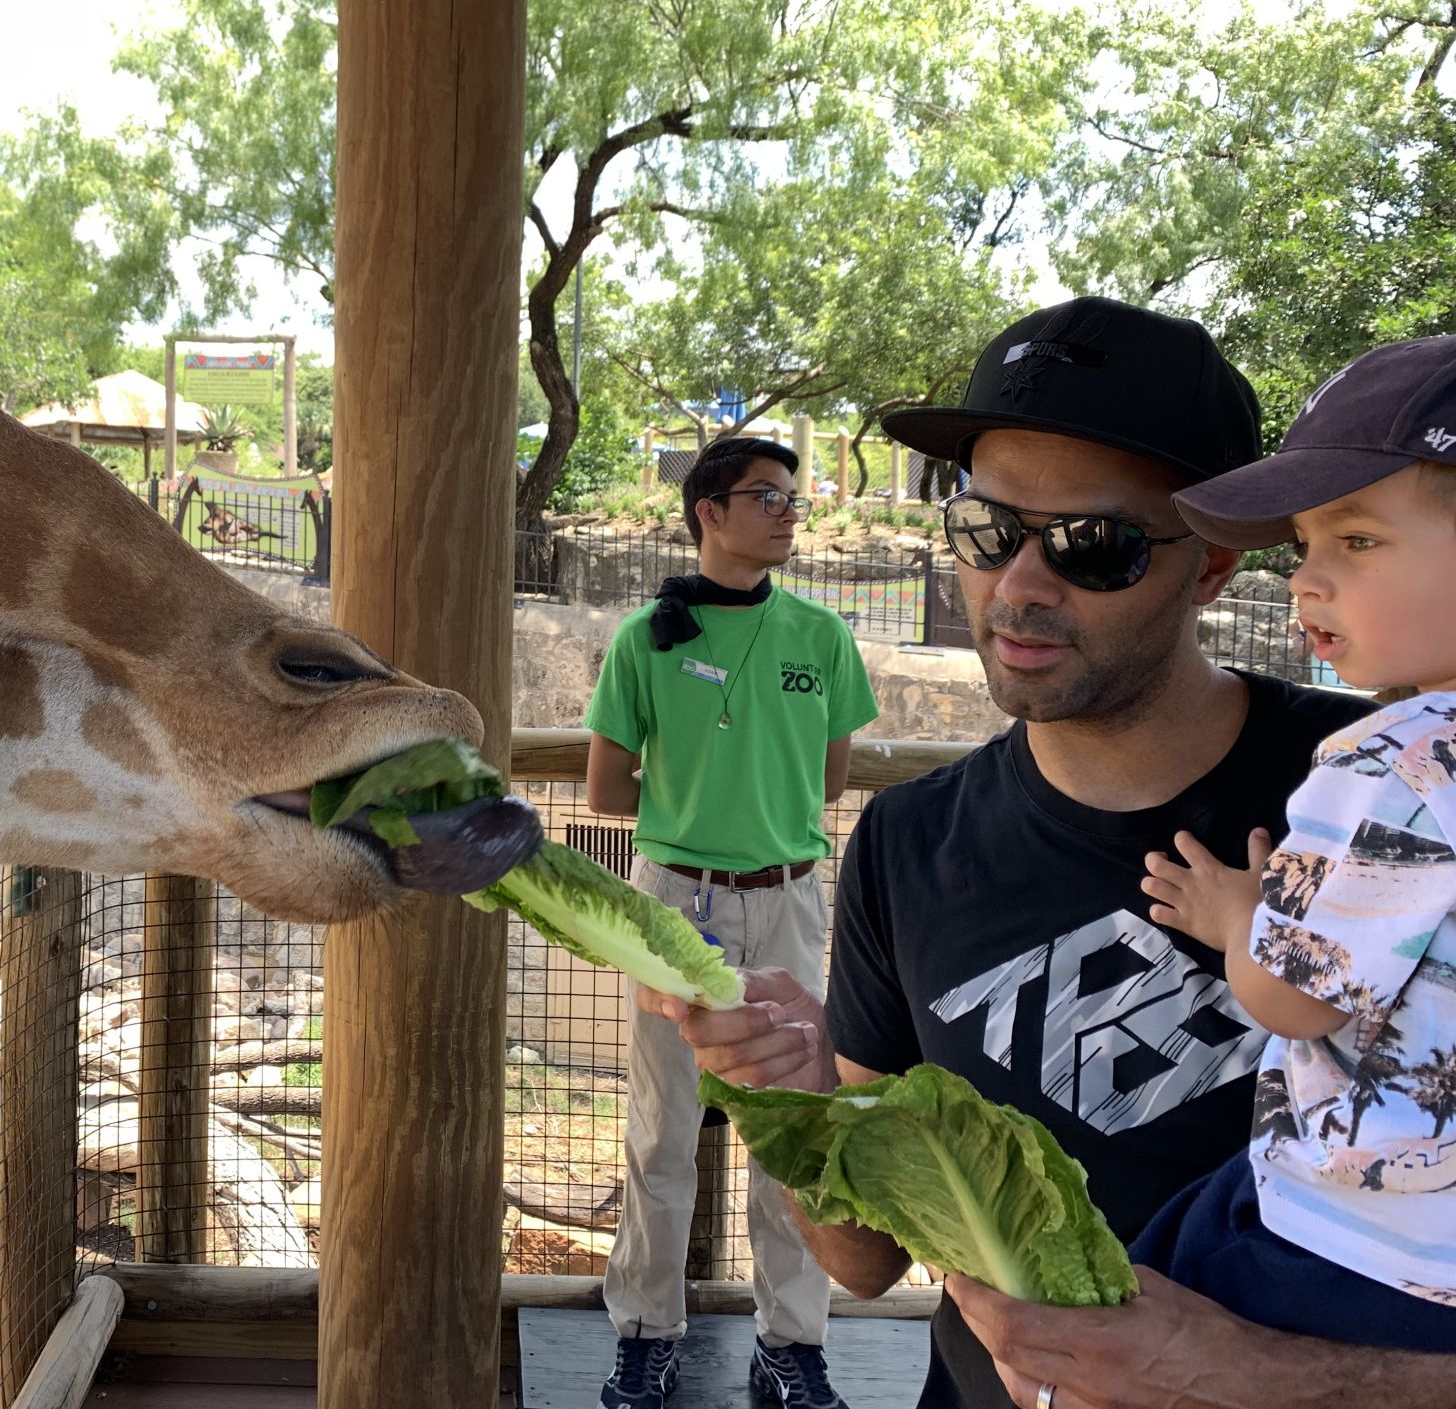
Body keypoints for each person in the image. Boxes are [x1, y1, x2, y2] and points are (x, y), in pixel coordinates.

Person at [636, 298, 1456, 1409]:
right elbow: (863, 1261)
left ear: (1210, 568)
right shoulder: (906, 838)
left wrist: (1268, 1377)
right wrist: (797, 1094)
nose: (1017, 586)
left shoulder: (1388, 796)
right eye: (983, 531)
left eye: (1090, 545)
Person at [1125, 334, 1456, 1345]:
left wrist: (1241, 912)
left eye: (1355, 542)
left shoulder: (1386, 760)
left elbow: (1290, 996)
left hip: (1349, 1237)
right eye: (1304, 545)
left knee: (1125, 1309)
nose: (1305, 582)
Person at [584, 434, 879, 1409]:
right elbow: (602, 790)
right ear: (709, 511)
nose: (792, 511)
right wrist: (697, 812)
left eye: (794, 496)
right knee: (662, 1130)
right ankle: (642, 1332)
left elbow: (830, 779)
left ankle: (789, 1343)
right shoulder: (643, 639)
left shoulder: (823, 639)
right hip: (673, 905)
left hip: (791, 902)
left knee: (791, 1129)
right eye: (768, 496)